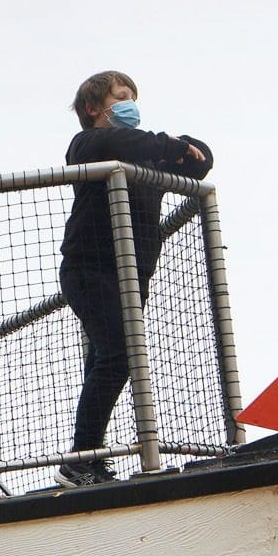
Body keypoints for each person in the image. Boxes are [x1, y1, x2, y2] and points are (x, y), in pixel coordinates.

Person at [56, 71, 212, 488]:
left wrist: (186, 148)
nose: (130, 105)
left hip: (131, 272)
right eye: (120, 97)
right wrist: (172, 144)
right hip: (89, 269)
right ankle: (80, 459)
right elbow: (118, 142)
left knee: (109, 358)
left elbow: (200, 163)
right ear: (94, 108)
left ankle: (87, 457)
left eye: (132, 97)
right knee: (118, 354)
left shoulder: (145, 154)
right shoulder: (88, 144)